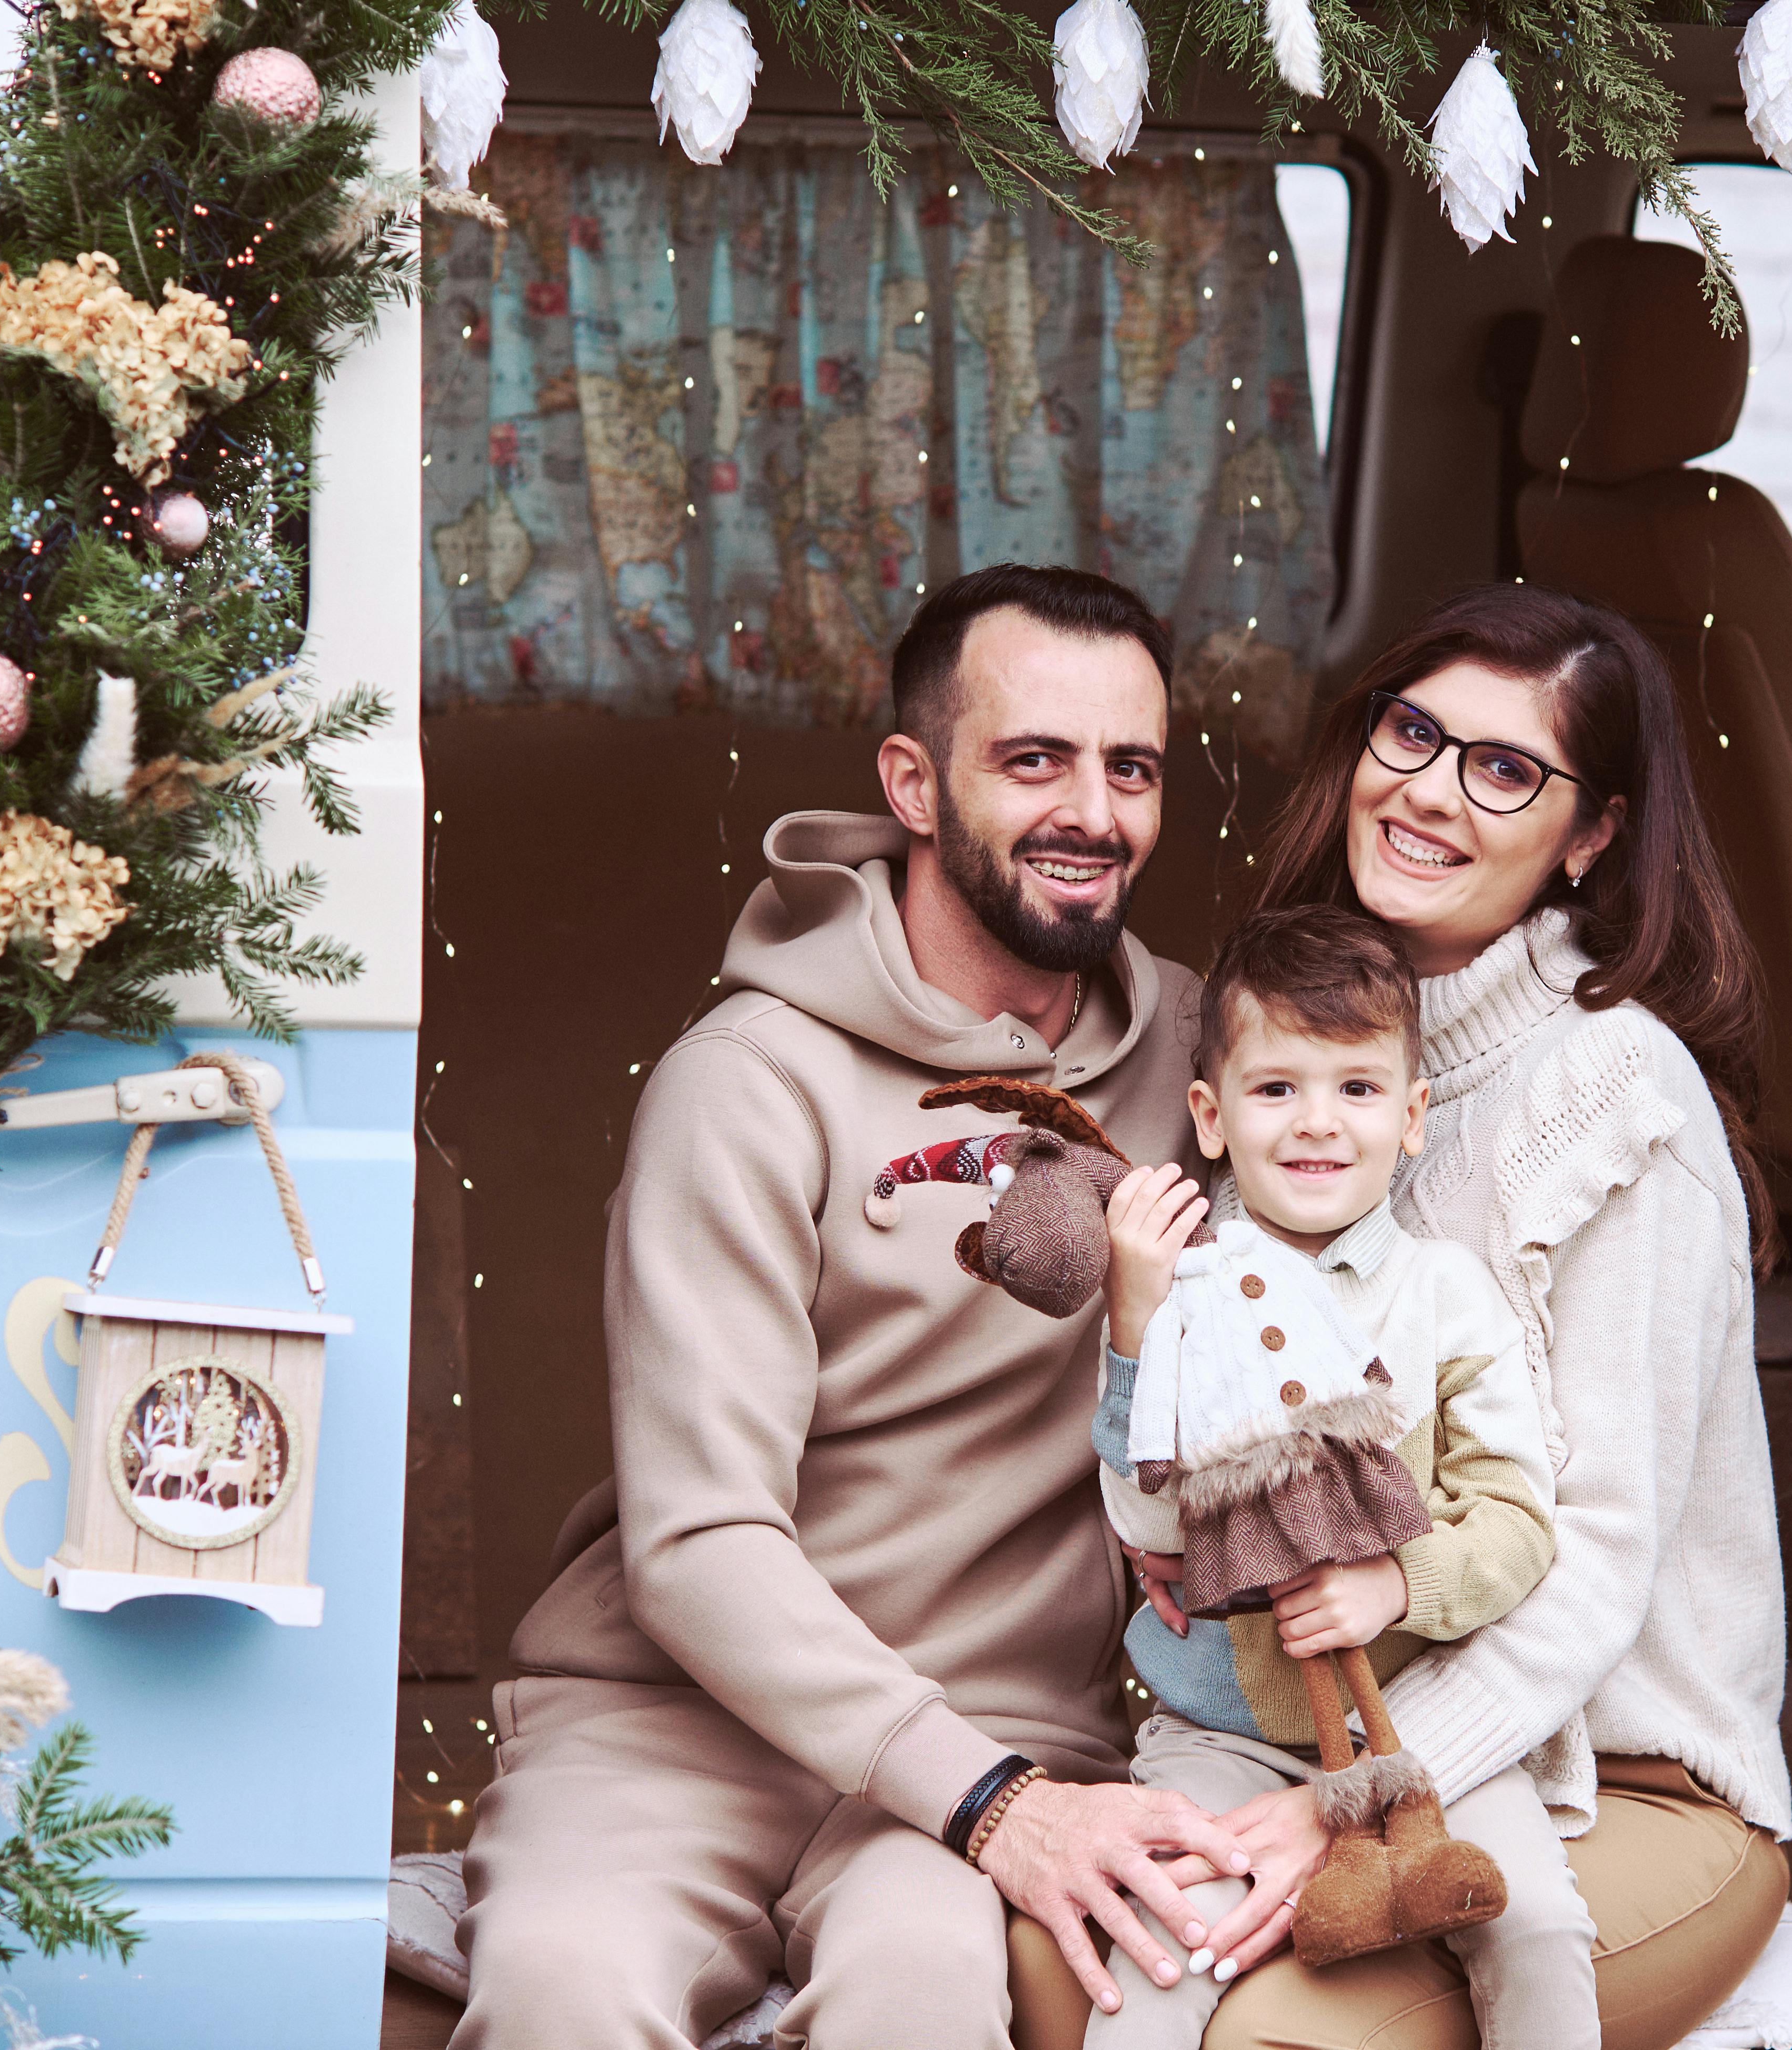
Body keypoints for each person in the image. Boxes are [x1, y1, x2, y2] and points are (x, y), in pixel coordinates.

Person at [450, 564, 1257, 2050]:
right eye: (1033, 759)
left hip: (1005, 1731)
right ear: (914, 781)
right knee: (563, 1987)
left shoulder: (1210, 1071)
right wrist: (991, 1806)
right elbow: (697, 1544)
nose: (1092, 811)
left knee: (923, 1994)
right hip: (674, 1730)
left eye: (1128, 768)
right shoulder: (746, 1081)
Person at [1149, 583, 1792, 2050]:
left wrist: (1350, 1802)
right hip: (1339, 1724)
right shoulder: (1301, 1039)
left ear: (1589, 836)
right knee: (1088, 1961)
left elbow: (1599, 1561)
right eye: (1412, 732)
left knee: (1272, 2040)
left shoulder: (1615, 1098)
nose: (1428, 791)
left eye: (1502, 769)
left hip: (1623, 1777)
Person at [1089, 904, 1587, 2050]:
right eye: (1276, 1090)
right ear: (1210, 1118)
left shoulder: (1444, 1295)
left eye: (1357, 1089)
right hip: (1216, 1735)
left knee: (1541, 1928)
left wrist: (1395, 1583)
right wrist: (1132, 1323)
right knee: (1162, 1958)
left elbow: (1516, 1515)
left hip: (1411, 1723)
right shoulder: (1180, 1289)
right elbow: (1146, 1523)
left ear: (1412, 1117)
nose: (1317, 1123)